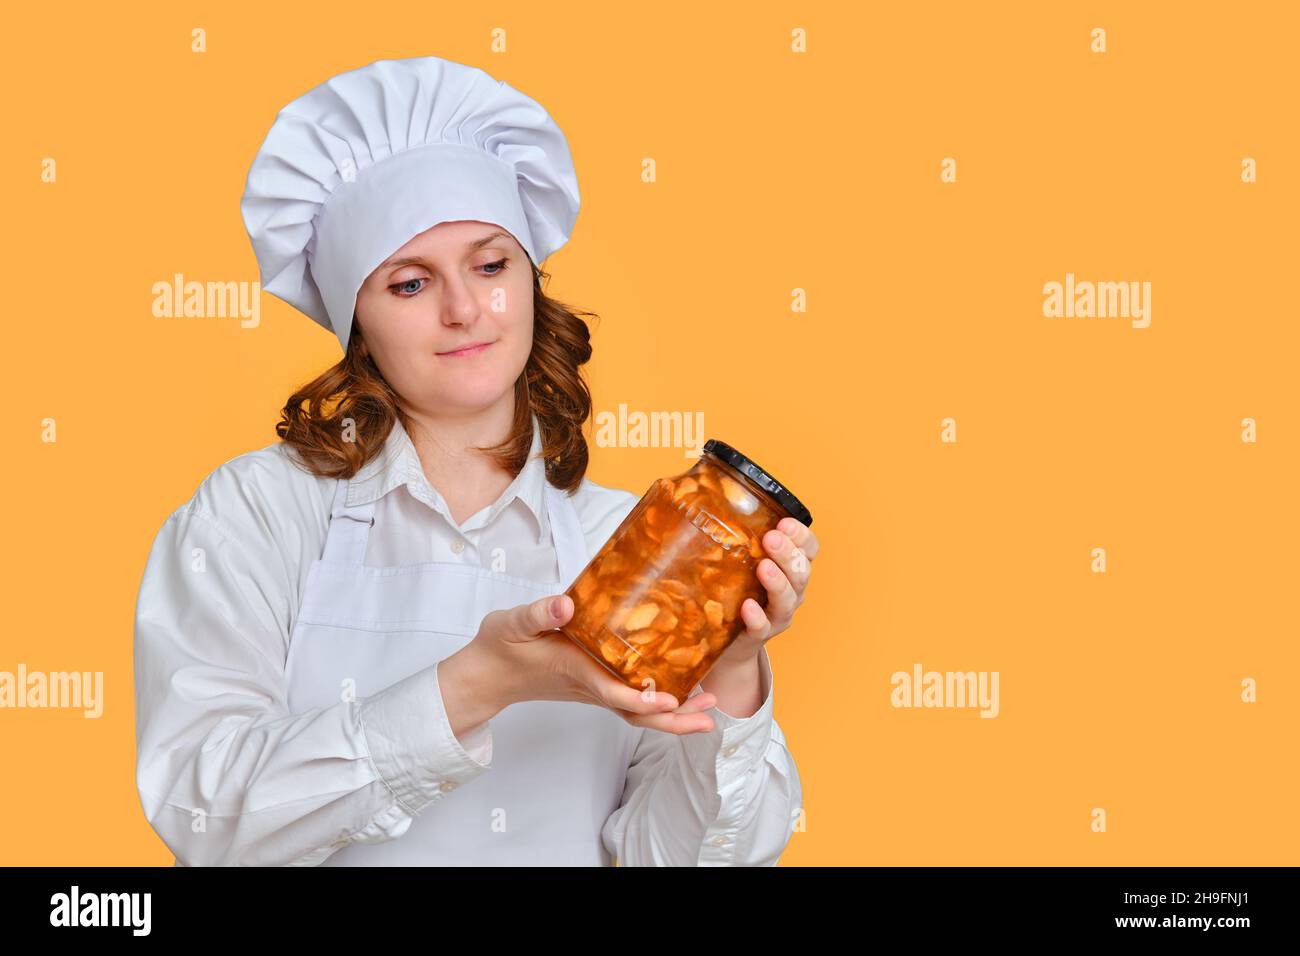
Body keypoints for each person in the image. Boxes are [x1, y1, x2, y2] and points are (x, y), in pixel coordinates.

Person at [132, 56, 819, 867]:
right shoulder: (255, 514)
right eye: (411, 283)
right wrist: (483, 680)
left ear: (530, 277)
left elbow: (686, 859)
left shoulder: (628, 541)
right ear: (358, 318)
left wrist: (733, 664)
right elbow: (206, 815)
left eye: (491, 266)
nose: (465, 310)